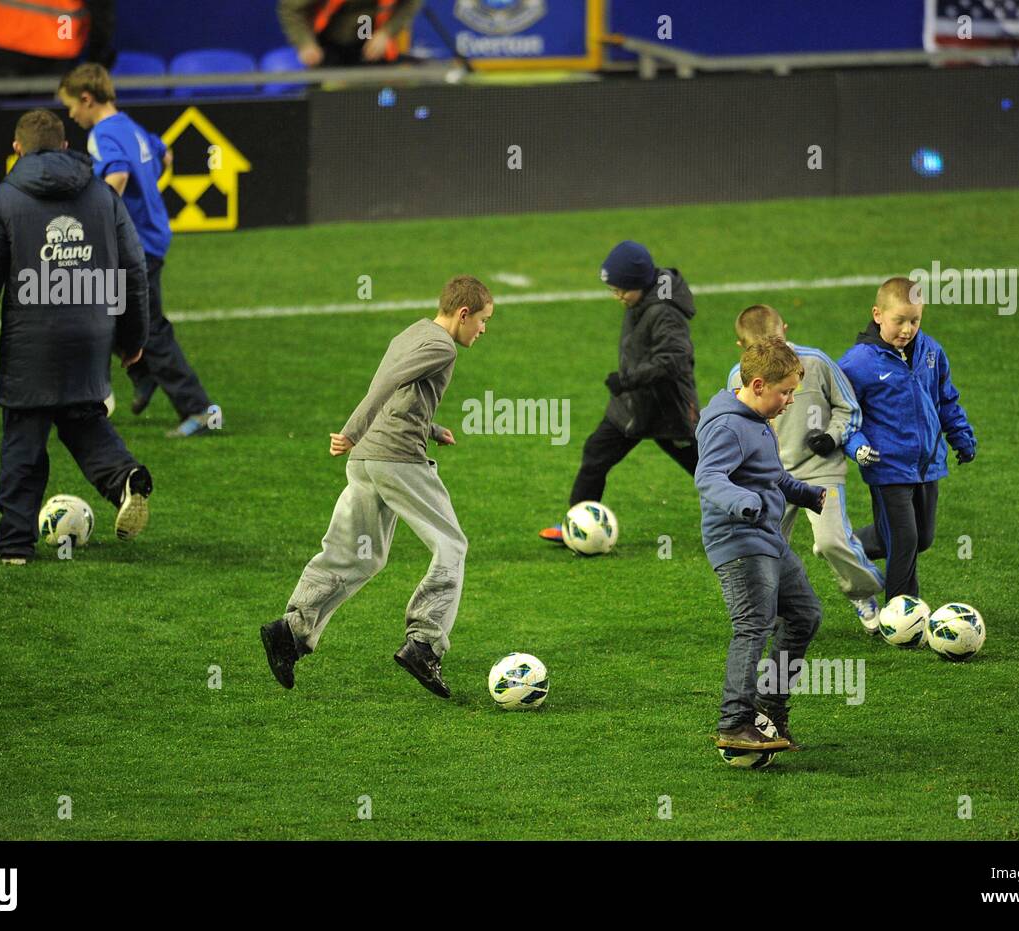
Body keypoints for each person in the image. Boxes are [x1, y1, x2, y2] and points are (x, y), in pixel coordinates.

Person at [260, 276, 494, 698]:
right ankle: (424, 643)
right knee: (451, 545)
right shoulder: (441, 346)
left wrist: (430, 427)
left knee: (356, 555)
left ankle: (291, 631)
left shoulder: (412, 331)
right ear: (463, 314)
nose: (483, 329)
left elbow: (398, 389)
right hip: (395, 458)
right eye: (482, 320)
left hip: (367, 460)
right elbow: (386, 385)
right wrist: (351, 429)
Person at [0, 108, 151, 563]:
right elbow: (132, 271)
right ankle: (125, 480)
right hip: (91, 331)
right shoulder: (101, 195)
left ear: (16, 150)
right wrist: (132, 338)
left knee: (25, 433)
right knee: (82, 417)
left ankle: (15, 543)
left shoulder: (3, 199)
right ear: (64, 146)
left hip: (31, 339)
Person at [58, 63, 221, 438]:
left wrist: (93, 219)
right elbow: (165, 155)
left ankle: (199, 409)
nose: (70, 114)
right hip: (150, 236)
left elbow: (116, 175)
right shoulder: (130, 127)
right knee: (102, 309)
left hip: (136, 245)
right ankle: (142, 373)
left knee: (146, 328)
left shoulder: (101, 134)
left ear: (86, 99)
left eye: (71, 106)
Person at [696, 338, 826, 753]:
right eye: (783, 392)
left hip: (766, 537)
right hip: (739, 540)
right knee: (753, 625)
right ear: (756, 384)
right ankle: (734, 723)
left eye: (792, 392)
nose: (788, 401)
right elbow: (710, 477)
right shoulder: (727, 425)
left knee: (804, 615)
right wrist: (745, 503)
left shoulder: (755, 420)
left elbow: (770, 475)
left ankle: (768, 709)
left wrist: (805, 494)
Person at [728, 305, 886, 634]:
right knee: (765, 549)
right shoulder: (738, 379)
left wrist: (832, 437)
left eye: (778, 343)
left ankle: (864, 592)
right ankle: (778, 610)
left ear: (786, 330)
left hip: (819, 469)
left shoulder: (815, 362)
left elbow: (849, 407)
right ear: (743, 349)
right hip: (771, 477)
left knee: (830, 541)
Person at [540, 240, 700, 542]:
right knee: (595, 454)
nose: (617, 297)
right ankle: (576, 525)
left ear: (640, 283)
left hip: (668, 408)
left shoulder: (665, 312)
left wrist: (628, 380)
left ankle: (753, 507)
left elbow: (674, 360)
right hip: (633, 406)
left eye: (621, 290)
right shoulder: (642, 296)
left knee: (706, 469)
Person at [838, 277, 977, 603]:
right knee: (904, 537)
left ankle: (847, 546)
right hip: (886, 465)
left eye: (915, 320)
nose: (907, 328)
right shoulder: (858, 363)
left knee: (923, 538)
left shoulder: (931, 351)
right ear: (877, 315)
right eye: (899, 320)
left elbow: (945, 400)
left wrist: (959, 435)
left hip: (927, 463)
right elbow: (843, 415)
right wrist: (856, 446)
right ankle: (902, 612)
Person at [0, 0, 114, 79]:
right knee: (48, 126)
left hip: (0, 41)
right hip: (58, 46)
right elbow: (100, 10)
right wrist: (98, 56)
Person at [277, 0, 423, 68]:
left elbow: (410, 3)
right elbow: (290, 10)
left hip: (369, 47)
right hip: (328, 47)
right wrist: (305, 44)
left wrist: (386, 32)